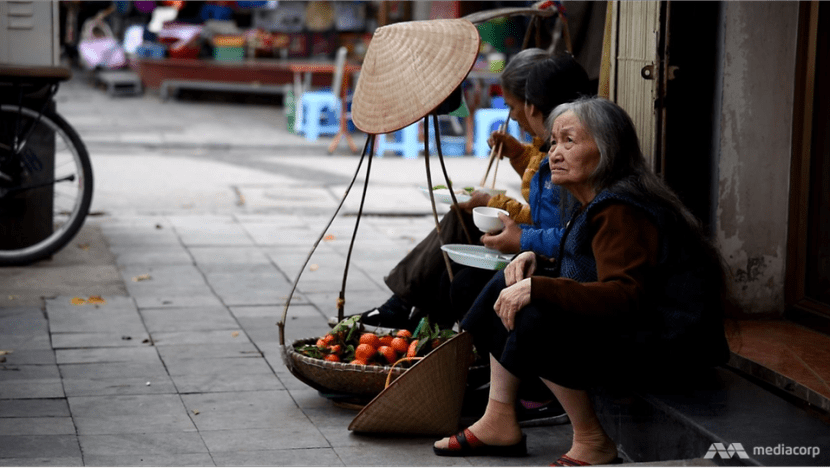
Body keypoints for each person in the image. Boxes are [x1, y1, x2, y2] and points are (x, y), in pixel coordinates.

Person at [432, 97, 730, 466]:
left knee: (534, 310)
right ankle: (498, 418)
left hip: (674, 352)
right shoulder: (600, 200)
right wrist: (534, 260)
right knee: (505, 283)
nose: (554, 153)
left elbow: (625, 295)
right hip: (644, 332)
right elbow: (585, 262)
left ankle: (592, 440)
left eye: (569, 142)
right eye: (553, 142)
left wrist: (540, 287)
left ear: (606, 151)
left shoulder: (622, 209)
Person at [334, 49, 591, 331]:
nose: (512, 116)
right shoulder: (553, 148)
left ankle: (418, 322)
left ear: (533, 105)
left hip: (551, 259)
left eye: (513, 106)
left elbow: (556, 223)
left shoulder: (569, 157)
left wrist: (508, 220)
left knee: (460, 279)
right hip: (540, 245)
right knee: (459, 225)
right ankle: (407, 316)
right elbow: (544, 195)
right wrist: (519, 154)